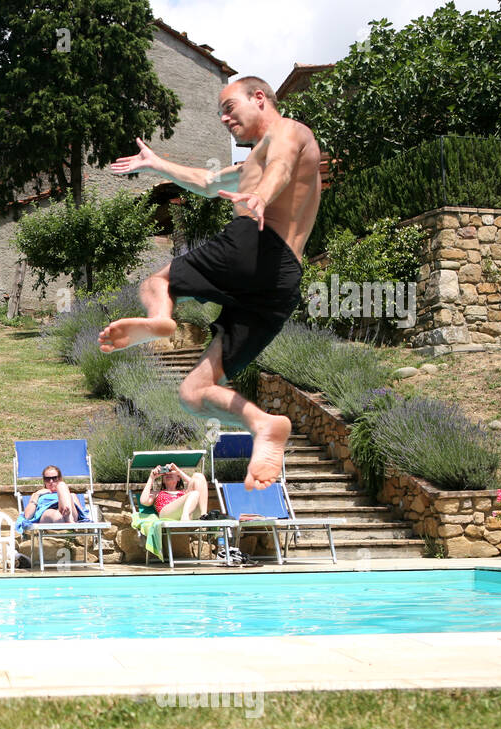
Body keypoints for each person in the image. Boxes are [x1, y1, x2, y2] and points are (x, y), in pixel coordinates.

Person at [99, 75, 321, 492]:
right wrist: (157, 162)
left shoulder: (289, 132)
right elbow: (206, 182)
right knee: (194, 391)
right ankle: (265, 425)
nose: (224, 118)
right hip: (281, 282)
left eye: (229, 107)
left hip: (257, 244)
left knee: (156, 282)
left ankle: (163, 319)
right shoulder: (252, 161)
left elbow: (282, 166)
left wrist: (261, 197)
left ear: (259, 98)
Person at [140, 462, 209, 521]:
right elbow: (144, 501)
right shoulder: (157, 493)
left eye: (171, 472)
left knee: (198, 476)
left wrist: (179, 472)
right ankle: (185, 517)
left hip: (188, 511)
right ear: (163, 480)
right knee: (194, 493)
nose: (168, 474)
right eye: (165, 473)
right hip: (166, 514)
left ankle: (203, 515)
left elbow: (198, 484)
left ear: (178, 478)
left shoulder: (185, 492)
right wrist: (152, 477)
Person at [20, 465, 87, 525]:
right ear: (44, 480)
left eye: (54, 478)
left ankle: (68, 517)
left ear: (60, 478)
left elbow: (83, 516)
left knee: (62, 485)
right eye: (47, 479)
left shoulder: (71, 495)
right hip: (53, 516)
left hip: (71, 516)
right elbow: (27, 517)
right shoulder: (38, 495)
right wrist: (37, 494)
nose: (51, 481)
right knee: (52, 513)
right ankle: (66, 518)